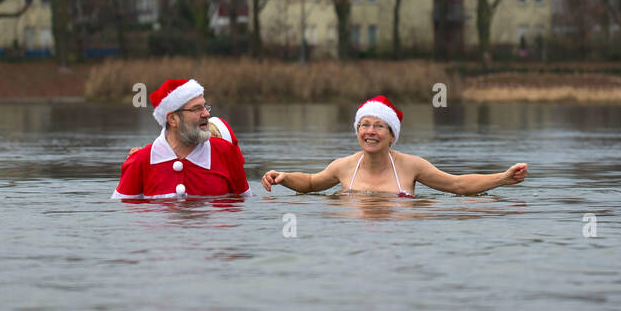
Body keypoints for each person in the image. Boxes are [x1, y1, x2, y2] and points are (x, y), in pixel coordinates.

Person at [261, 94, 527, 197]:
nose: (370, 132)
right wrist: (284, 178)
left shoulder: (412, 166)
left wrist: (502, 178)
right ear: (357, 131)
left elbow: (456, 185)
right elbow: (309, 183)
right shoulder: (344, 166)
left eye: (379, 126)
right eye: (364, 125)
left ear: (391, 135)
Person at [112, 77, 249, 200]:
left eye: (205, 107)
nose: (206, 114)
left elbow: (242, 210)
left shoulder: (226, 152)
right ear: (172, 119)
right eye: (197, 109)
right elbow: (125, 218)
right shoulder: (140, 160)